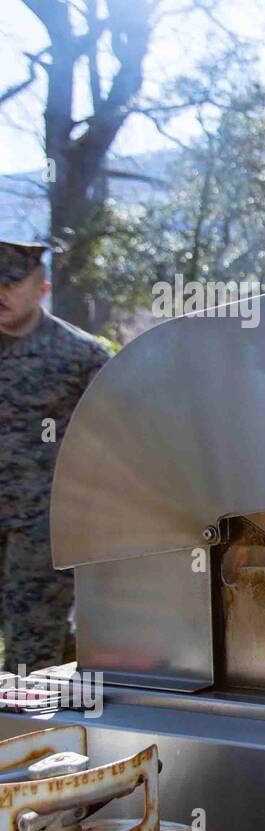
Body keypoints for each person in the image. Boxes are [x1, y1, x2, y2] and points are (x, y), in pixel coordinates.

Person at [0, 239, 111, 673]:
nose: (2, 293)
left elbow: (115, 438)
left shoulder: (79, 356)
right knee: (50, 646)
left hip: (42, 528)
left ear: (41, 287)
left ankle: (28, 736)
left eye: (11, 282)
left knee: (30, 651)